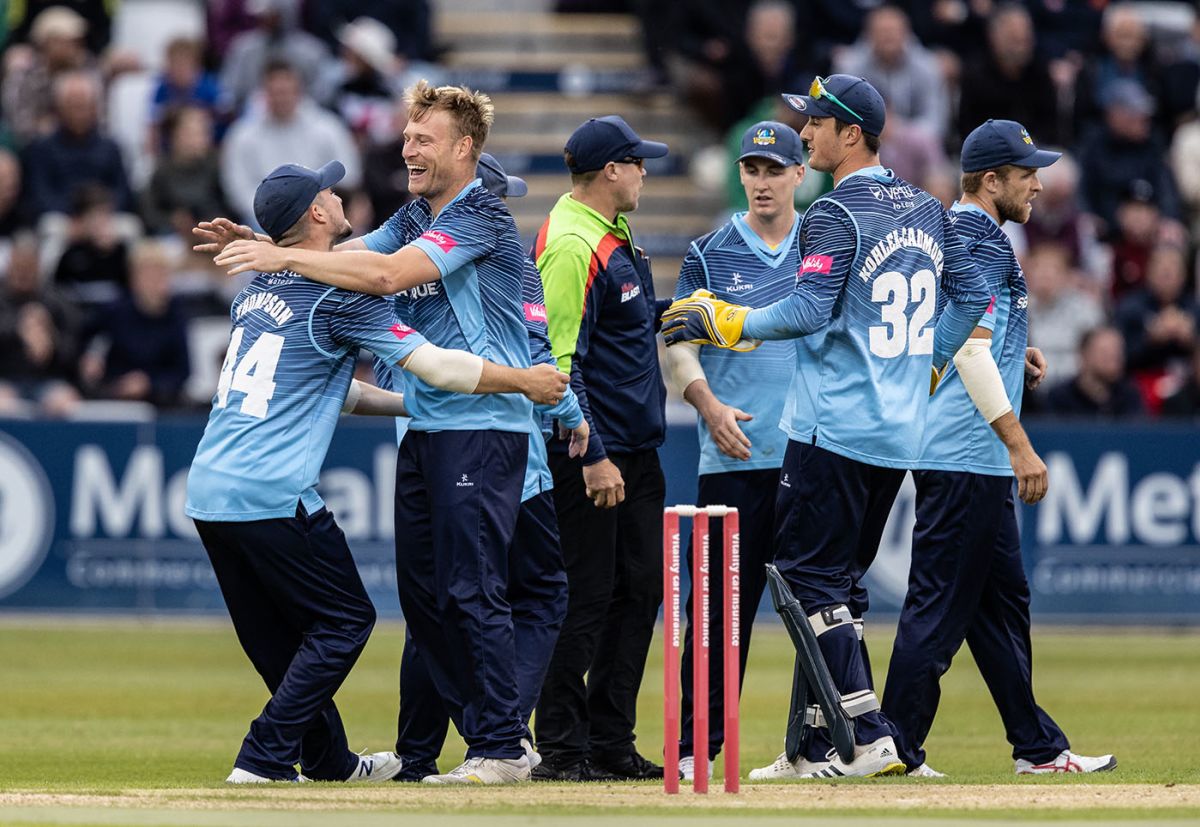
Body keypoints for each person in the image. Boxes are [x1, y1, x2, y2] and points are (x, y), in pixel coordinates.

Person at [211, 81, 555, 785]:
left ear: (465, 148)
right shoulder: (412, 214)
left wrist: (284, 257)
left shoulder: (481, 215)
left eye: (423, 139)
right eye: (407, 136)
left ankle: (498, 745)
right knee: (427, 603)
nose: (407, 148)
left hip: (484, 421)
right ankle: (496, 736)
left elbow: (384, 274)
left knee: (471, 590)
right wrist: (271, 243)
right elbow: (344, 255)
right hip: (429, 423)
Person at [662, 74, 991, 778]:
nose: (805, 132)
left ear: (852, 135)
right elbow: (972, 294)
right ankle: (811, 745)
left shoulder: (836, 213)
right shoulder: (929, 208)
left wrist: (730, 320)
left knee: (811, 579)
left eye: (816, 123)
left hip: (833, 429)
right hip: (900, 431)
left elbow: (808, 310)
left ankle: (868, 732)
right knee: (835, 583)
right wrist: (924, 364)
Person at [883, 118, 1116, 778]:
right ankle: (893, 745)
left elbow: (977, 337)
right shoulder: (978, 238)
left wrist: (1020, 354)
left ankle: (1037, 745)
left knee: (999, 606)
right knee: (937, 607)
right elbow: (969, 348)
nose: (1038, 184)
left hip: (965, 452)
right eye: (1026, 174)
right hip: (966, 453)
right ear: (992, 181)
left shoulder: (969, 234)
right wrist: (1019, 443)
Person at [387, 154, 585, 782]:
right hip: (498, 447)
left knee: (449, 600)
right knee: (502, 594)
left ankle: (444, 746)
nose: (505, 206)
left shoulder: (437, 251)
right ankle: (496, 734)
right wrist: (581, 422)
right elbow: (537, 357)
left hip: (454, 437)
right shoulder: (483, 239)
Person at [663, 120, 805, 782]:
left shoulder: (824, 241)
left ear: (801, 175)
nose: (763, 181)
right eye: (753, 169)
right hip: (736, 455)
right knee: (717, 614)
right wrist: (707, 403)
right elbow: (677, 340)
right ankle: (697, 747)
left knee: (822, 611)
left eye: (775, 170)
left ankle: (818, 743)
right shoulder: (712, 251)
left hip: (813, 455)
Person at [529, 115, 670, 782]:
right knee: (585, 596)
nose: (646, 172)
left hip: (636, 450)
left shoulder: (609, 232)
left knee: (638, 590)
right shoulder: (571, 245)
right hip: (595, 451)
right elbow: (563, 363)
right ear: (611, 170)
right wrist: (592, 453)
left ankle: (610, 736)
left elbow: (618, 325)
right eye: (639, 162)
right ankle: (559, 743)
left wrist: (678, 311)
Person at [220, 59, 360, 228]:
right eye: (275, 92)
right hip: (265, 218)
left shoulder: (327, 127)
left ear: (298, 91)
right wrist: (272, 213)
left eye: (285, 91)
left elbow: (349, 174)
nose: (281, 98)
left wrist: (318, 209)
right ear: (264, 93)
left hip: (320, 213)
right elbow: (237, 186)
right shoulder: (243, 134)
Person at [1043, 326, 1145, 418]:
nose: (1114, 359)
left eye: (1118, 353)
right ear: (1084, 355)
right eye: (1105, 353)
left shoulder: (1129, 397)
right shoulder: (1060, 399)